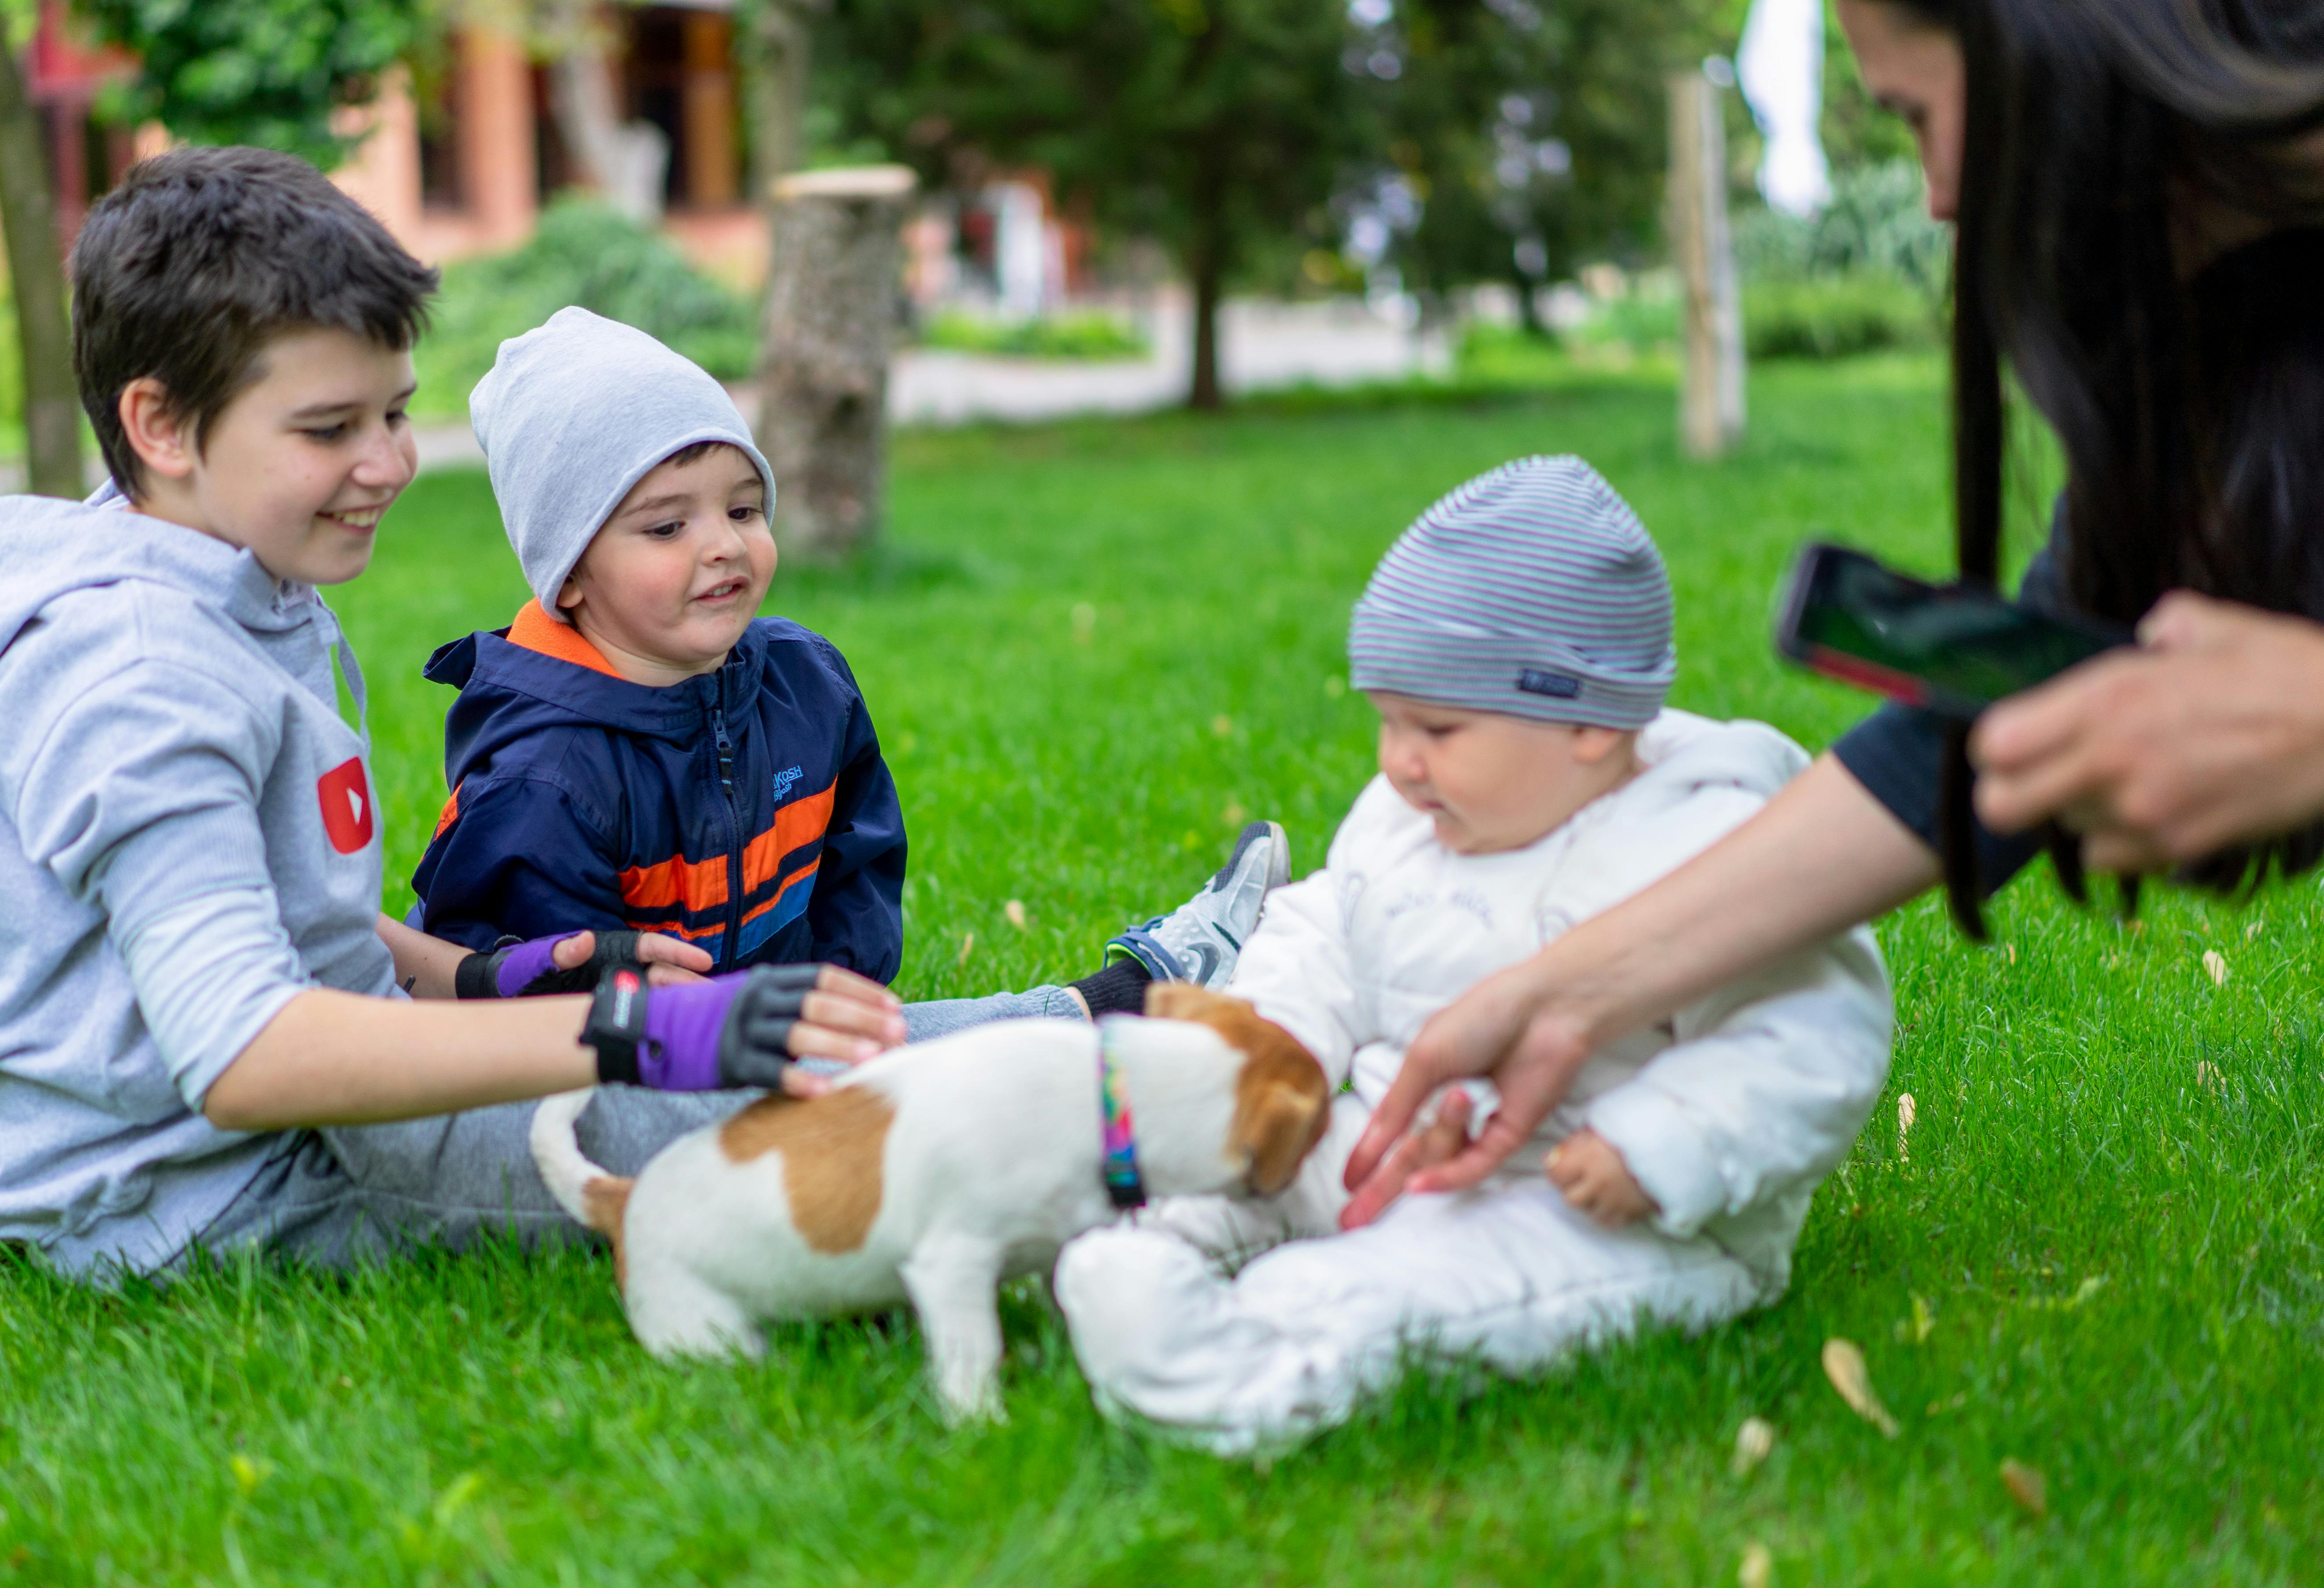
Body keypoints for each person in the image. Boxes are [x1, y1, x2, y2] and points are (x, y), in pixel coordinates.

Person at [1345, 0, 2324, 1213]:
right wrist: (1565, 994)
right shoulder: (2234, 337)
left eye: (1915, 115)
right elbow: (1964, 750)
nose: (1939, 198)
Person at [0, 149, 896, 1283]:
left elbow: (272, 916)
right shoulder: (134, 678)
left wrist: (482, 980)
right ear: (162, 425)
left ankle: (1070, 1022)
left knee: (819, 1072)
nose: (390, 463)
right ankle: (1069, 1048)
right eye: (331, 428)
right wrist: (647, 1031)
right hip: (196, 1189)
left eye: (396, 412)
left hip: (286, 1129)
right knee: (813, 1118)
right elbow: (243, 1052)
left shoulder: (227, 582)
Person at [1052, 459, 1893, 1455]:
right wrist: (1276, 1044)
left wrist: (1659, 1147)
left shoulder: (1715, 844)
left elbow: (1809, 1039)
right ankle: (1115, 1235)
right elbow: (1325, 927)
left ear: (1588, 720)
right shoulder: (1412, 817)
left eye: (1437, 728)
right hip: (1399, 1134)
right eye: (1388, 720)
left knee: (1418, 1288)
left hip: (1595, 1203)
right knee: (1229, 1164)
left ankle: (1237, 1365)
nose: (1397, 760)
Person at [408, 307, 1289, 1171]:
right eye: (668, 526)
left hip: (776, 1040)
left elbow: (858, 864)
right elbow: (534, 1018)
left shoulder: (805, 681)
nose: (724, 545)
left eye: (744, 508)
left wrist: (839, 1004)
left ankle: (1145, 1019)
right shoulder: (543, 773)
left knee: (884, 1069)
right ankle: (1128, 1011)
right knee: (885, 1103)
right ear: (569, 576)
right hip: (618, 1085)